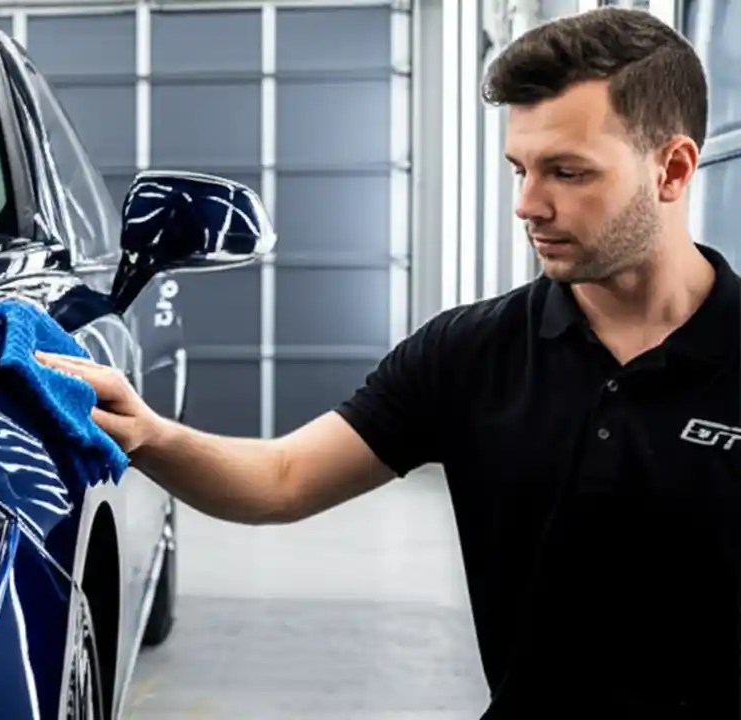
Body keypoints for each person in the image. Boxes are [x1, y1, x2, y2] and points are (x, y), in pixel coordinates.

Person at [38, 7, 739, 718]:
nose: (528, 204)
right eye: (519, 169)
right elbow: (281, 479)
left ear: (673, 170)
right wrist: (148, 433)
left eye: (566, 172)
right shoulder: (468, 355)